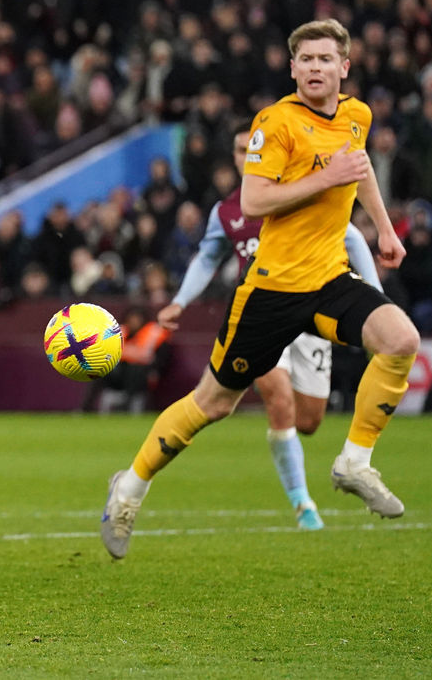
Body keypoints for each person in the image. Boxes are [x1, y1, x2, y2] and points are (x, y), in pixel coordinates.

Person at [100, 19, 420, 559]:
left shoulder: (357, 115)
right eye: (306, 60)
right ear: (292, 69)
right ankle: (129, 488)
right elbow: (253, 203)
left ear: (345, 68)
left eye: (325, 59)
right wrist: (326, 176)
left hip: (328, 277)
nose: (315, 68)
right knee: (213, 404)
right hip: (271, 291)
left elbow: (359, 168)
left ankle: (354, 464)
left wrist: (384, 228)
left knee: (401, 340)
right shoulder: (274, 124)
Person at [157, 124, 386, 531]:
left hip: (313, 310)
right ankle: (304, 505)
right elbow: (208, 258)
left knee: (309, 420)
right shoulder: (227, 211)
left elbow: (351, 239)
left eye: (252, 149)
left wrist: (377, 297)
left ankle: (293, 461)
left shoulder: (299, 194)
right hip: (261, 314)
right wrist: (180, 301)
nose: (247, 156)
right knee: (278, 398)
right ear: (233, 157)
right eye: (241, 149)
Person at [83, 306, 172, 414]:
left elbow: (162, 357)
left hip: (142, 375)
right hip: (120, 374)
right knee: (101, 369)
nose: (134, 322)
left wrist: (155, 371)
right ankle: (85, 408)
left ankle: (126, 405)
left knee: (135, 369)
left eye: (137, 319)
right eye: (131, 319)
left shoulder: (153, 332)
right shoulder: (119, 332)